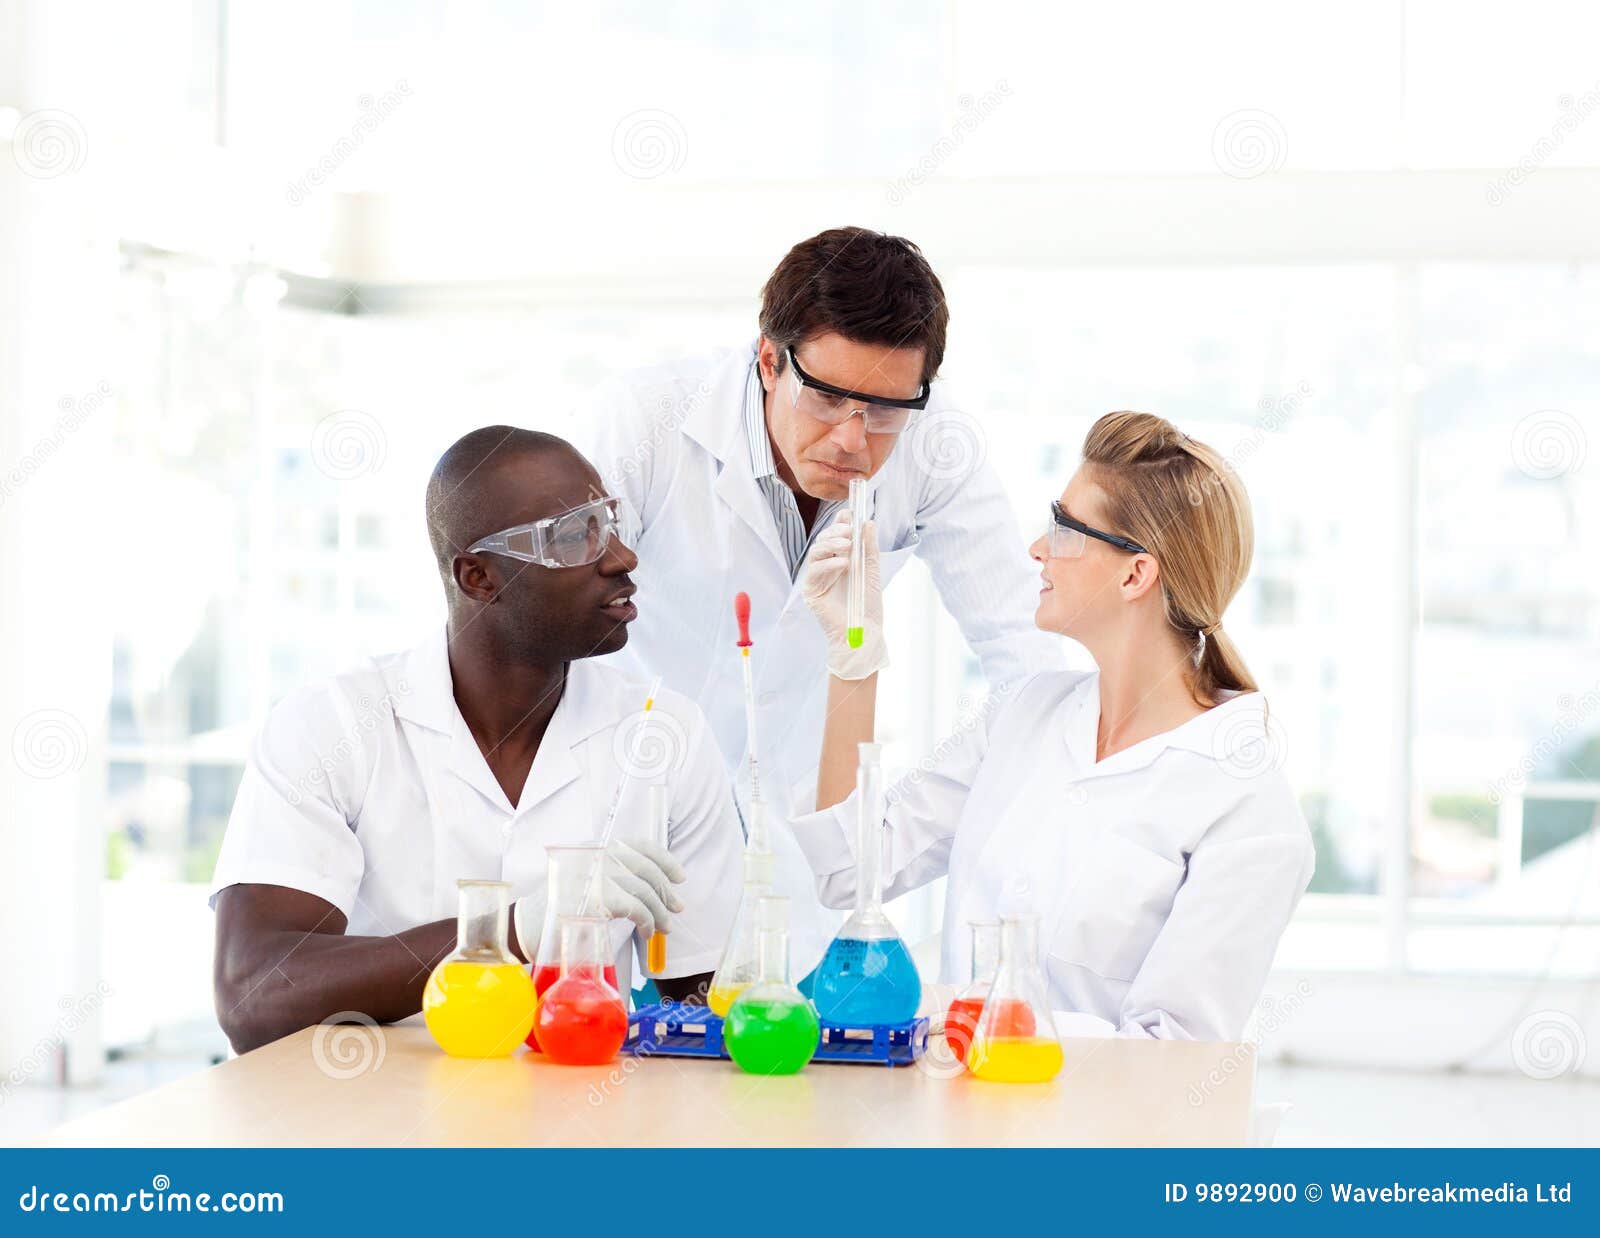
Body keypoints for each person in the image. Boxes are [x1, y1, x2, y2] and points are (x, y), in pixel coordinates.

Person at [579, 227, 1061, 977]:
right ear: (769, 360)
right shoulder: (643, 423)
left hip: (795, 868)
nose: (853, 440)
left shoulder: (938, 450)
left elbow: (1035, 664)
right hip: (628, 833)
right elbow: (556, 637)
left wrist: (906, 825)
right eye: (829, 397)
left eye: (886, 410)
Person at [209, 427, 742, 1054]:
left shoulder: (665, 737)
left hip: (580, 1127)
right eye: (575, 535)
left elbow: (699, 1016)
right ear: (478, 577)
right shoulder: (330, 726)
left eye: (609, 521)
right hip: (365, 1126)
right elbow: (254, 994)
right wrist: (516, 932)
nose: (621, 557)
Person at [792, 412, 1314, 1040]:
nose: (1036, 548)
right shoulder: (1025, 714)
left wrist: (971, 1023)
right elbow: (848, 871)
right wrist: (854, 657)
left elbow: (1174, 1055)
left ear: (1135, 574)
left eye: (1065, 528)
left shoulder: (1246, 806)